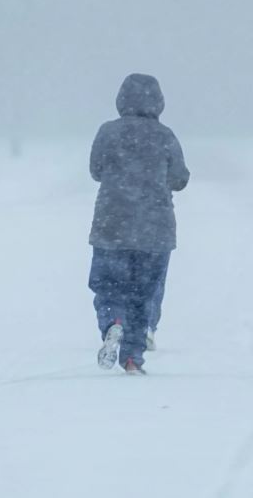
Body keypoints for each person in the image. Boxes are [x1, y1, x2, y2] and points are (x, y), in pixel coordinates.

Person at [88, 73, 189, 374]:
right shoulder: (165, 136)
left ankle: (112, 323)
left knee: (108, 287)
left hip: (111, 226)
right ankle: (132, 357)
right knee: (142, 294)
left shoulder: (108, 132)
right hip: (154, 231)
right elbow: (179, 179)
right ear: (158, 102)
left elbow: (96, 170)